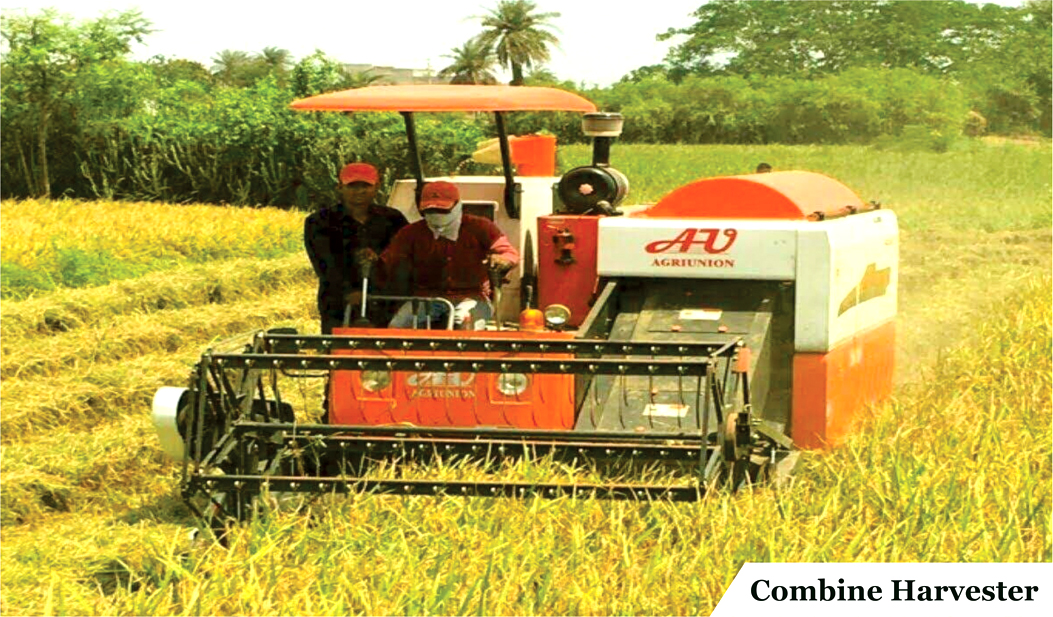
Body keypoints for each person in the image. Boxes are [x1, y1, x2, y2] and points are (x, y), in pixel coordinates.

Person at [371, 181, 519, 330]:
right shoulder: (410, 233)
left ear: (457, 206)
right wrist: (373, 259)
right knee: (398, 325)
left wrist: (501, 260)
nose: (436, 215)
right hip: (425, 297)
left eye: (442, 210)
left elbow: (509, 253)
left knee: (465, 326)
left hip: (473, 296)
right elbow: (387, 260)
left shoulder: (480, 227)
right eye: (430, 210)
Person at [303, 162, 408, 333]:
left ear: (377, 187)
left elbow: (404, 257)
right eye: (352, 186)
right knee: (341, 346)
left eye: (365, 186)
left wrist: (380, 259)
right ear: (340, 187)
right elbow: (324, 263)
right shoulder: (320, 221)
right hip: (338, 303)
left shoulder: (393, 219)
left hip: (386, 301)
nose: (359, 191)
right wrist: (348, 292)